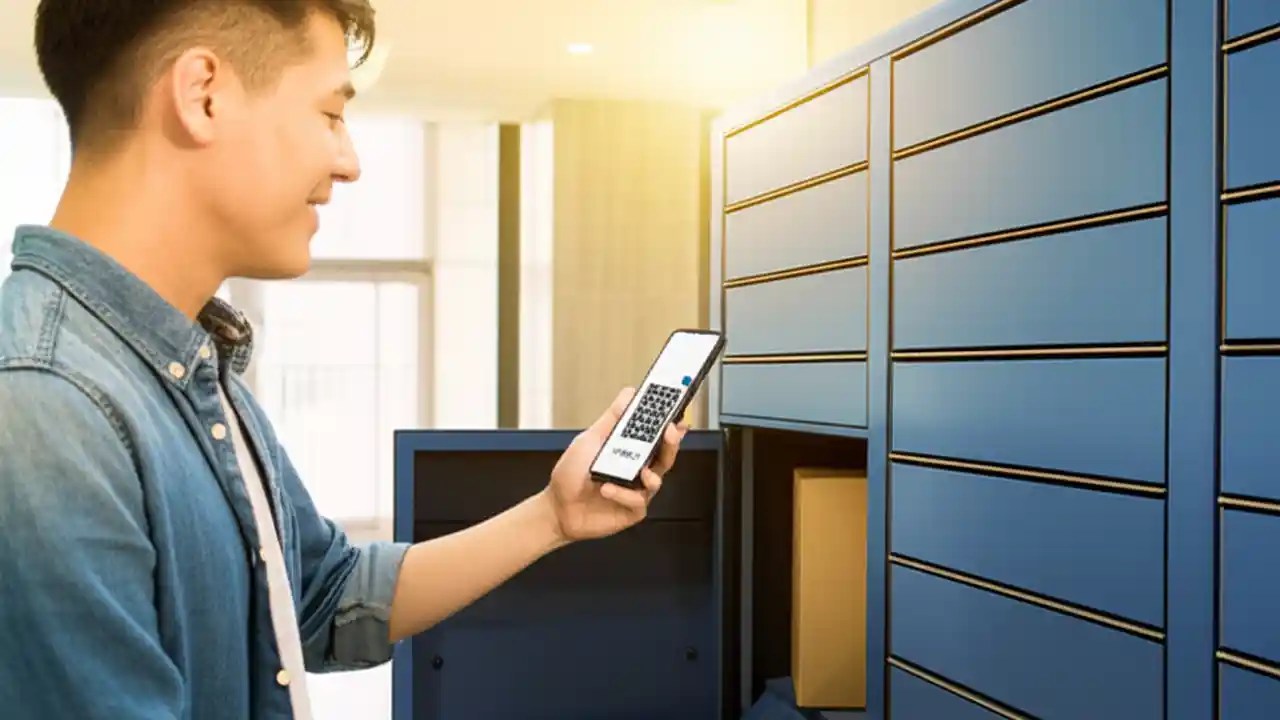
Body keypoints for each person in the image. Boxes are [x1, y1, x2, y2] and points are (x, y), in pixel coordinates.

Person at [0, 1, 689, 717]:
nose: (349, 162)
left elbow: (323, 598)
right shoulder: (46, 410)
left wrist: (553, 515)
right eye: (330, 115)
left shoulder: (189, 365)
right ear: (203, 95)